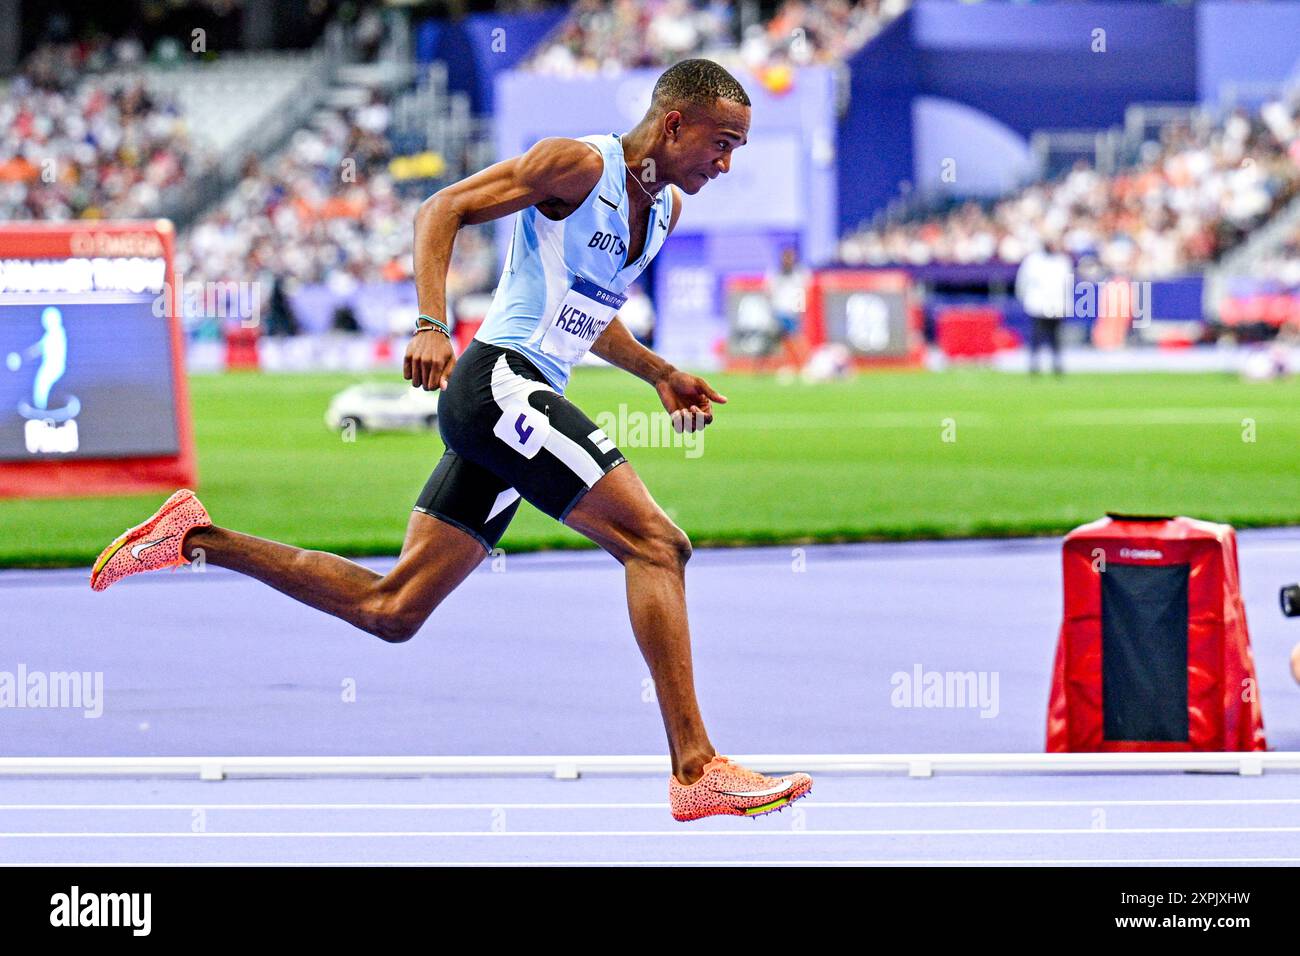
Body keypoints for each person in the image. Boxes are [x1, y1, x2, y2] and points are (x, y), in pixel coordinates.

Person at [89, 58, 813, 822]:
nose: (727, 164)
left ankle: (193, 537)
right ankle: (695, 767)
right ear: (674, 124)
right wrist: (433, 323)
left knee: (392, 608)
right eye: (721, 142)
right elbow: (441, 208)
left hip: (519, 401)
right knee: (657, 544)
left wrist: (658, 371)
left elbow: (585, 313)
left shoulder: (661, 211)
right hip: (499, 384)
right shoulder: (576, 164)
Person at [1015, 238, 1073, 375]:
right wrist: (1024, 298)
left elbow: (1067, 285)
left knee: (1055, 336)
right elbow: (1023, 281)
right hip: (1038, 303)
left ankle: (1057, 364)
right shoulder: (1033, 261)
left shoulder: (1063, 261)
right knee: (1037, 335)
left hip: (1057, 304)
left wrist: (1067, 304)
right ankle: (1034, 364)